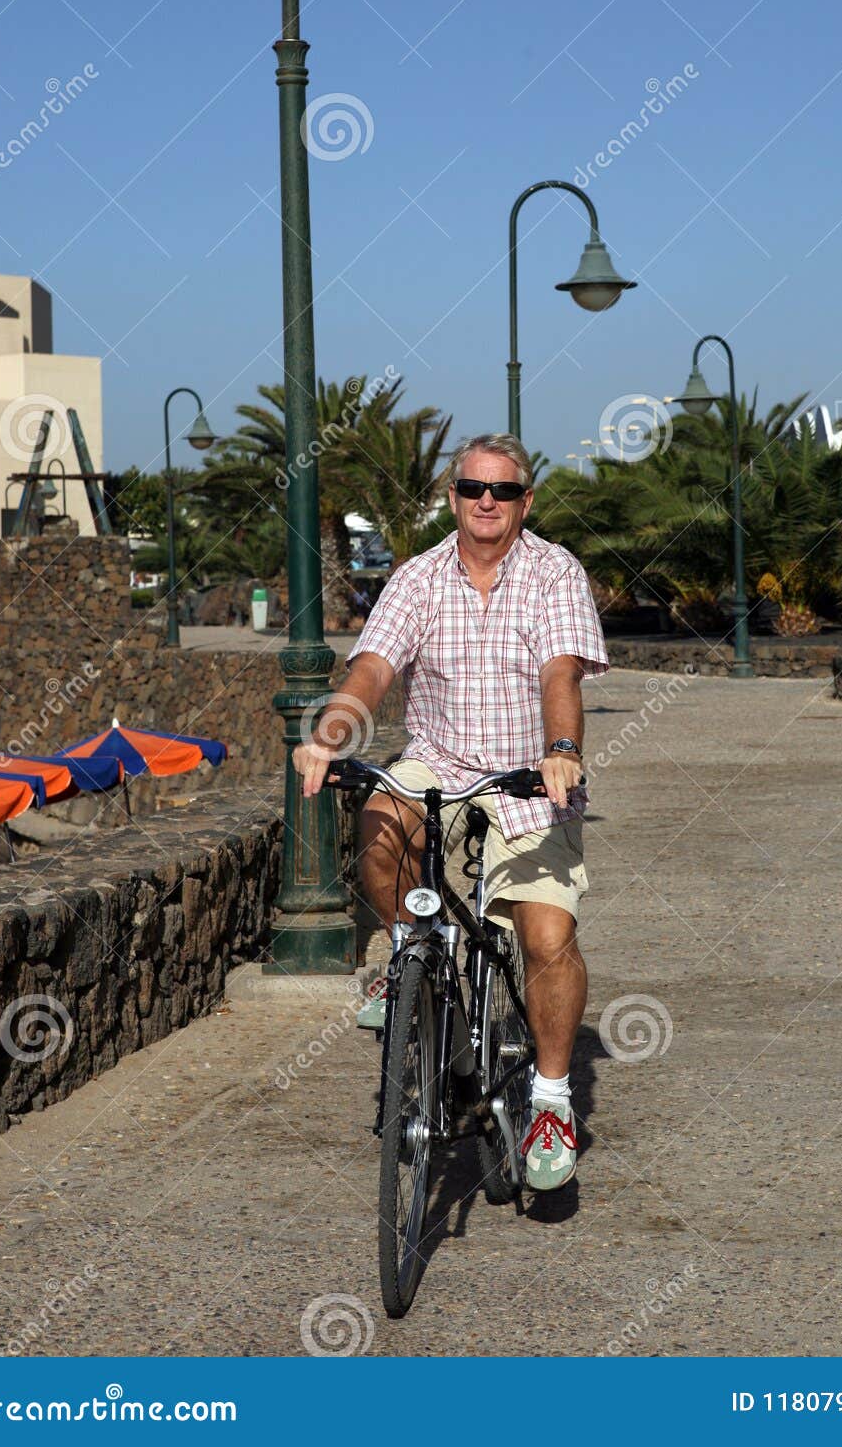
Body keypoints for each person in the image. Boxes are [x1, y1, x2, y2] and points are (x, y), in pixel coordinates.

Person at [294, 433, 608, 1191]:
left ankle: (551, 1102)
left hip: (526, 773)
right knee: (379, 823)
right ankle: (413, 950)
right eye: (472, 488)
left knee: (546, 935)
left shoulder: (553, 571)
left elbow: (560, 673)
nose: (486, 501)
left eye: (502, 490)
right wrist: (328, 737)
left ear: (525, 501)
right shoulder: (418, 577)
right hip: (438, 759)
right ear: (452, 498)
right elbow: (373, 669)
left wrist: (561, 749)